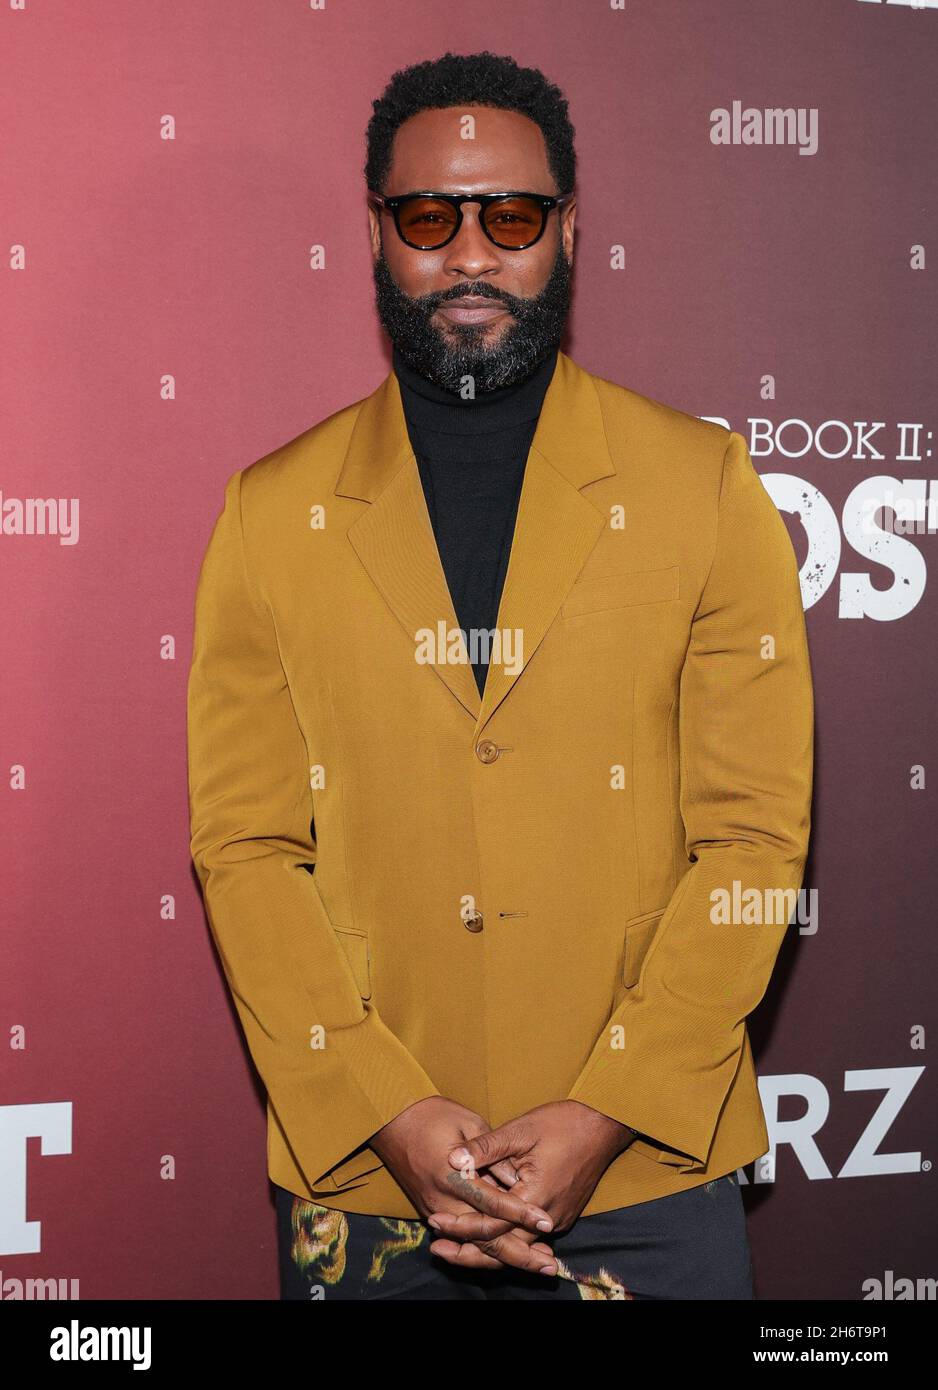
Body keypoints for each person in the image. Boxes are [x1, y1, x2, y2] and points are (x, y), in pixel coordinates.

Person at [186, 51, 814, 1301]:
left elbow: (749, 841)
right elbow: (246, 846)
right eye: (428, 217)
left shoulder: (702, 485)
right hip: (368, 1190)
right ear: (376, 233)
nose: (469, 255)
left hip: (646, 1170)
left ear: (567, 230)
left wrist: (608, 1107)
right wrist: (388, 1110)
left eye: (510, 216)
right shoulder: (268, 513)